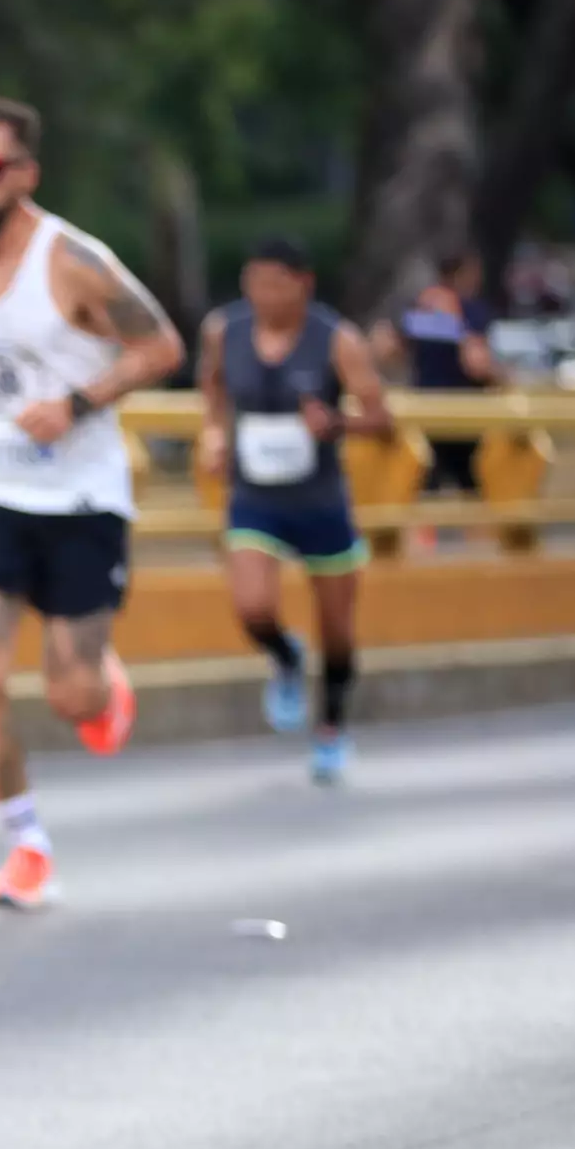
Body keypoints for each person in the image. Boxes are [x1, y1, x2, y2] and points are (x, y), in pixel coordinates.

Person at [0, 93, 184, 910]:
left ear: (25, 174)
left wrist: (79, 405)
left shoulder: (74, 263)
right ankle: (25, 844)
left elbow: (162, 345)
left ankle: (100, 681)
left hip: (82, 497)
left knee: (70, 694)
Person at [198, 239, 391, 785]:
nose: (263, 295)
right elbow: (212, 387)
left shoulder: (338, 340)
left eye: (276, 284)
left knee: (337, 631)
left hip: (320, 500)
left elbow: (382, 419)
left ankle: (331, 729)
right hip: (256, 496)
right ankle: (284, 655)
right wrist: (214, 435)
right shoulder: (224, 331)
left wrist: (336, 424)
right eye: (253, 283)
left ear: (304, 283)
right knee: (251, 605)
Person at [380, 246, 498, 496]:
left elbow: (387, 349)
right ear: (464, 273)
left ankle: (424, 536)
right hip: (465, 413)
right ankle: (478, 536)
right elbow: (477, 365)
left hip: (424, 410)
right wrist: (502, 378)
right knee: (476, 488)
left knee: (422, 488)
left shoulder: (418, 309)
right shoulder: (469, 310)